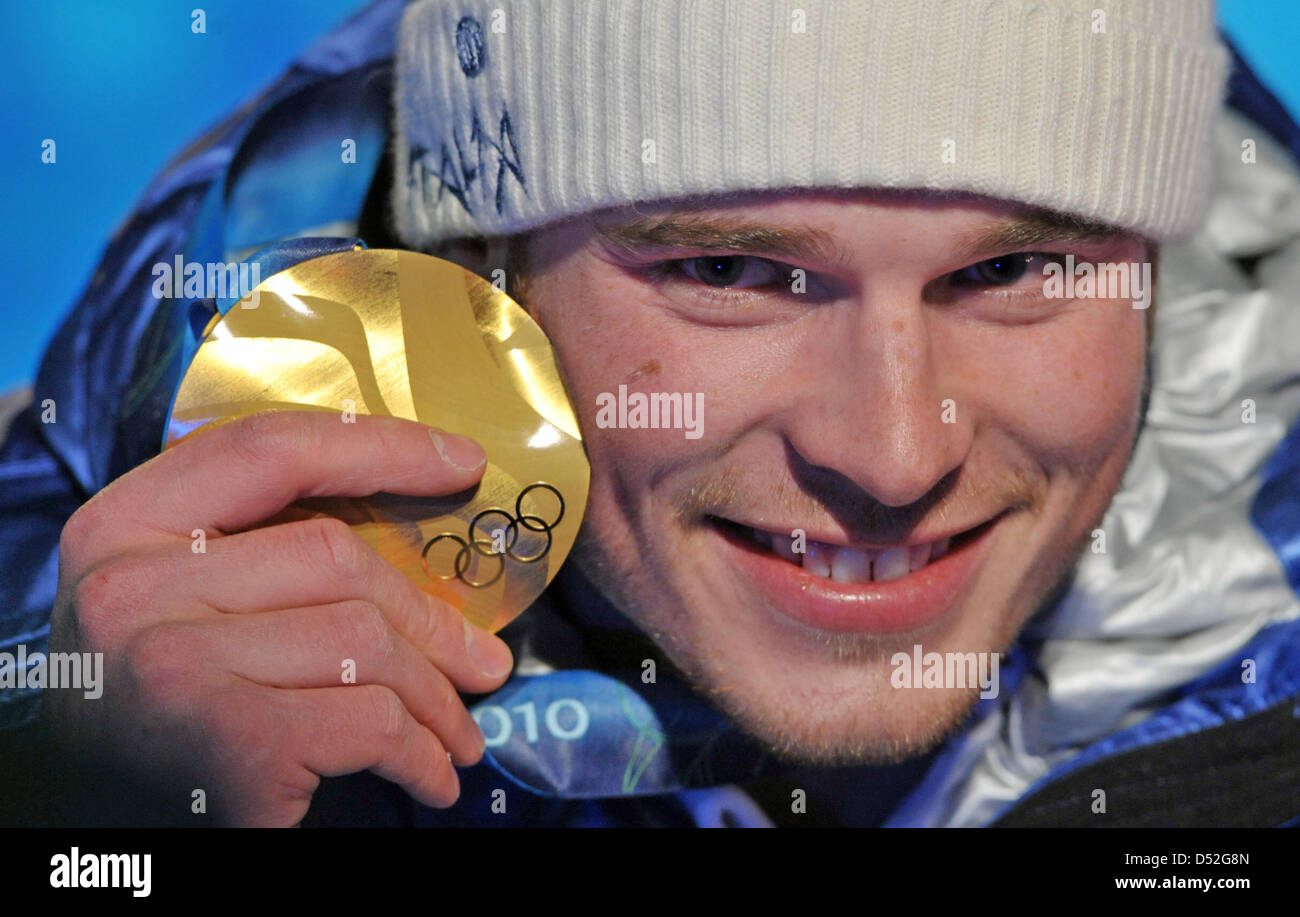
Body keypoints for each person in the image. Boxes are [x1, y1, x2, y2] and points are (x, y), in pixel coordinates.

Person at [3, 0, 1300, 827]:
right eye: (732, 273)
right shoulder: (105, 692)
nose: (897, 454)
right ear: (486, 275)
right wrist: (89, 818)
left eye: (1011, 272)